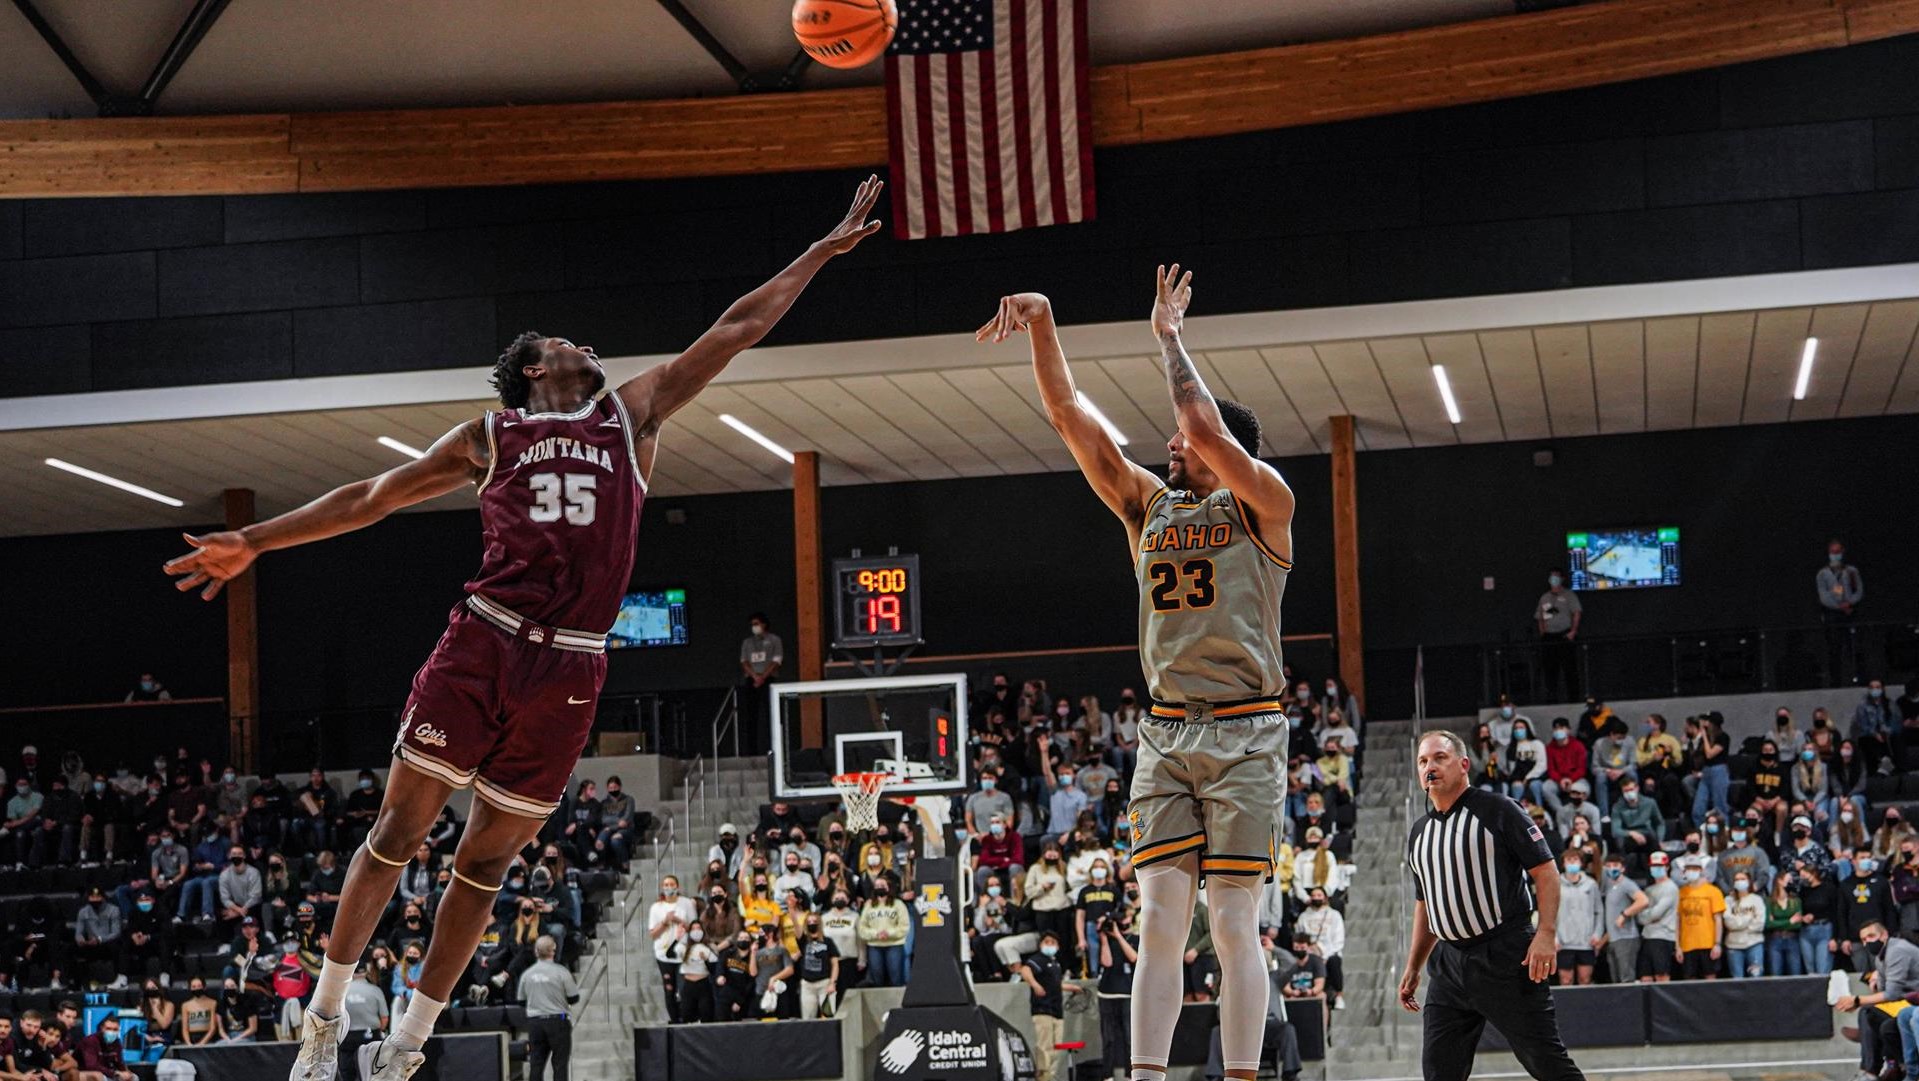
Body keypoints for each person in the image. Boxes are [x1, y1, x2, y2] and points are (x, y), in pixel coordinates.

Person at [160, 179, 886, 1081]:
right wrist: (255, 541)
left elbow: (734, 328)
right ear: (535, 370)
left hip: (571, 667)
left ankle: (409, 1043)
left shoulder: (632, 415)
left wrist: (818, 251)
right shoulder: (489, 434)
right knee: (395, 832)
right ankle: (323, 1017)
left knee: (484, 863)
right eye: (561, 341)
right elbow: (368, 498)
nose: (584, 343)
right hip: (482, 641)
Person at [985, 269, 1293, 1081]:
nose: (1173, 440)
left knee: (1231, 922)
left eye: (1187, 439)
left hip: (1245, 729)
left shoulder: (1264, 504)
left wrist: (1167, 336)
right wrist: (1046, 324)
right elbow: (1068, 418)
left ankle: (1241, 1076)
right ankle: (1146, 1077)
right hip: (1164, 729)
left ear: (1225, 449)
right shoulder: (1146, 507)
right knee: (1158, 917)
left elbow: (1201, 418)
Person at [1399, 731, 1586, 1081]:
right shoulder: (1419, 832)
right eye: (1423, 761)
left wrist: (1545, 933)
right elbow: (1425, 903)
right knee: (1439, 1071)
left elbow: (1546, 872)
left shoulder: (1498, 809)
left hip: (1505, 955)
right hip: (1449, 965)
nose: (1430, 767)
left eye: (1440, 757)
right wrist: (1414, 966)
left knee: (1546, 1062)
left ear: (1464, 765)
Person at [1837, 922, 1917, 1081]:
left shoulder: (1897, 950)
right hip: (1907, 1003)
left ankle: (1873, 1071)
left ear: (1884, 935)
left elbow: (1892, 993)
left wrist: (1858, 1000)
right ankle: (1883, 1067)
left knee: (1871, 1014)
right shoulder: (1881, 956)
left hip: (1913, 1004)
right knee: (1870, 1015)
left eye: (1871, 936)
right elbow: (1882, 990)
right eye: (1864, 939)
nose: (1868, 942)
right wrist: (1872, 984)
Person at [1017, 931, 1080, 1081]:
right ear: (1041, 944)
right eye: (1047, 941)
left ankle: (1051, 1076)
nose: (1049, 944)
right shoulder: (1038, 959)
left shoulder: (1056, 964)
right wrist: (1035, 985)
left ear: (1058, 946)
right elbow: (1025, 971)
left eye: (1053, 942)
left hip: (1057, 1011)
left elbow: (1054, 985)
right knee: (1044, 1046)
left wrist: (1071, 988)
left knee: (1057, 1048)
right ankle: (1043, 1077)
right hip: (1042, 1009)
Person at [519, 936, 578, 1081]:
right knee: (559, 1064)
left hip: (535, 1023)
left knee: (536, 1064)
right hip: (557, 1021)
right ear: (553, 951)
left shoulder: (527, 975)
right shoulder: (561, 972)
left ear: (536, 952)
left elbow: (521, 1001)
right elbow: (573, 997)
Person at [647, 876, 695, 1024]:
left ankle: (685, 1018)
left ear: (677, 886)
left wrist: (679, 921)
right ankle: (674, 1020)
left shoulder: (686, 904)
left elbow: (695, 927)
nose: (669, 887)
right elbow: (652, 934)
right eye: (666, 885)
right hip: (663, 954)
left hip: (682, 953)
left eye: (672, 884)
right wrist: (665, 922)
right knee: (669, 989)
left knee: (683, 989)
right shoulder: (656, 907)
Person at [1817, 539, 1864, 686]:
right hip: (1833, 615)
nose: (1835, 555)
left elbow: (1859, 591)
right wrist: (1840, 606)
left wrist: (1850, 603)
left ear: (1842, 552)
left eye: (1838, 552)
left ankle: (1859, 678)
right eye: (1833, 552)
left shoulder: (1851, 571)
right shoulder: (1823, 574)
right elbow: (1823, 596)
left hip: (1850, 613)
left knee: (1854, 646)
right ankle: (1836, 681)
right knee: (1834, 649)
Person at [1555, 853, 1603, 986]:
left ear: (1581, 862)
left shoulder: (1591, 884)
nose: (1572, 862)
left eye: (1575, 859)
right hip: (1563, 942)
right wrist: (1554, 937)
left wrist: (1597, 934)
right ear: (1563, 863)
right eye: (1568, 859)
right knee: (1565, 981)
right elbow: (1548, 912)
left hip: (1586, 942)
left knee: (1585, 980)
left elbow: (1599, 911)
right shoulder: (1555, 883)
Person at [1599, 854, 1647, 984]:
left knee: (1626, 979)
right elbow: (1611, 919)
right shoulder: (1609, 886)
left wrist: (1625, 914)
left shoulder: (1627, 884)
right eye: (1608, 866)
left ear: (1623, 868)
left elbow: (1643, 900)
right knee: (1616, 980)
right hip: (1614, 938)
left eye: (1615, 865)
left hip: (1626, 937)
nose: (1612, 868)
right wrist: (1602, 941)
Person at [1535, 570, 1582, 701]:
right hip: (1549, 637)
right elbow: (1540, 617)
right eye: (1551, 577)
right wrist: (1543, 633)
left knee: (1570, 669)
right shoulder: (1544, 597)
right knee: (1550, 670)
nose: (1553, 579)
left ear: (1562, 578)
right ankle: (1552, 698)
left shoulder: (1569, 595)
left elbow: (1576, 613)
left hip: (1564, 635)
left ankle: (1574, 699)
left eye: (1556, 576)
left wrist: (1573, 631)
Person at [737, 613, 783, 743]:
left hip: (769, 679)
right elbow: (744, 661)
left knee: (771, 714)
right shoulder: (747, 642)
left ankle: (773, 746)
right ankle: (752, 750)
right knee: (751, 715)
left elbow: (776, 661)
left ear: (764, 624)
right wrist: (755, 676)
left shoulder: (774, 640)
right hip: (751, 679)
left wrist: (762, 677)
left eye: (756, 624)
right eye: (752, 625)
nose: (754, 627)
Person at [1674, 865, 1724, 981]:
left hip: (1708, 944)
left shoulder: (1713, 891)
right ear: (1684, 872)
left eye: (1695, 869)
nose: (1692, 872)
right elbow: (1677, 921)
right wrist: (1678, 947)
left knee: (1710, 977)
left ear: (1701, 870)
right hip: (1687, 945)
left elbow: (1718, 919)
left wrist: (1717, 944)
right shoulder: (1681, 893)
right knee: (1689, 980)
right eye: (1688, 869)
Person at [794, 914, 839, 1020]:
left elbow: (835, 964)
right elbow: (796, 926)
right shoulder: (804, 941)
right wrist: (791, 909)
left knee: (828, 1016)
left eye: (814, 921)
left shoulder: (828, 941)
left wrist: (832, 983)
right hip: (807, 984)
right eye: (809, 922)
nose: (812, 924)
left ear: (819, 924)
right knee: (808, 1018)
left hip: (824, 983)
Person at [1722, 874, 1766, 978]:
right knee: (1737, 980)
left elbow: (1760, 924)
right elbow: (1729, 923)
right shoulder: (1728, 900)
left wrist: (1739, 925)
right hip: (1733, 945)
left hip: (1754, 943)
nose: (1739, 881)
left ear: (1749, 881)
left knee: (1756, 978)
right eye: (1736, 879)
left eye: (1742, 879)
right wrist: (1748, 918)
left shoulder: (1757, 900)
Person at [76, 1014, 136, 1081]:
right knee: (100, 1077)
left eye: (115, 1029)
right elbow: (91, 1066)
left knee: (133, 1077)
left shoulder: (116, 1042)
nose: (111, 1032)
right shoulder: (90, 1041)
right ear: (102, 1028)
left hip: (106, 1072)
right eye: (108, 1029)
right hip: (85, 1072)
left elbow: (120, 1063)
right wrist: (115, 1073)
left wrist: (126, 1073)